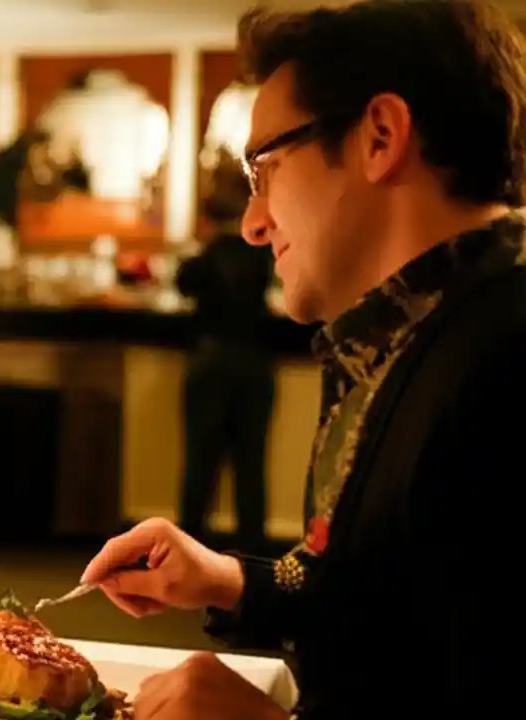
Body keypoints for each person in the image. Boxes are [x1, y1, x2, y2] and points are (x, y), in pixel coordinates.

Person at [81, 2, 526, 718]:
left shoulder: (504, 359)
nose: (255, 222)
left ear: (380, 136)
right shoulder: (391, 336)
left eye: (267, 167)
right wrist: (227, 579)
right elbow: (383, 608)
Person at [175, 162, 275, 554]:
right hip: (254, 363)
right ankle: (254, 554)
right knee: (251, 466)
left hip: (211, 361)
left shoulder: (211, 252)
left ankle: (187, 548)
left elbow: (183, 282)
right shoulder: (262, 255)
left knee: (200, 464)